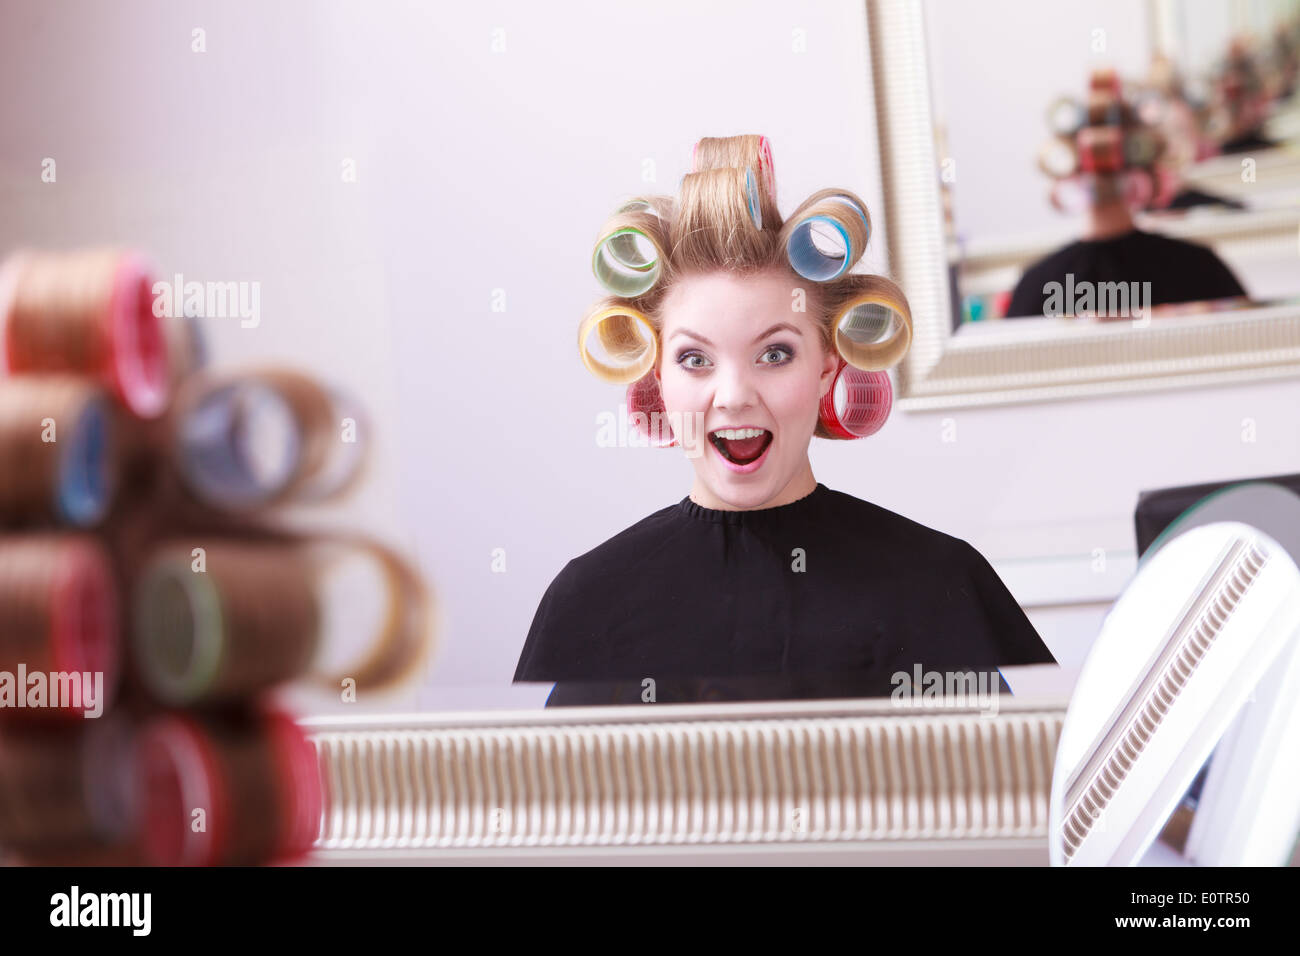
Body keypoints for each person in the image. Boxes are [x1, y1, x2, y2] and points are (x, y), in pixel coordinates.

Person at [513, 135, 1056, 706]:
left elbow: (1026, 783)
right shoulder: (590, 600)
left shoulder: (938, 582)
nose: (734, 396)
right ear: (656, 377)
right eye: (695, 359)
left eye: (774, 354)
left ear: (828, 365)